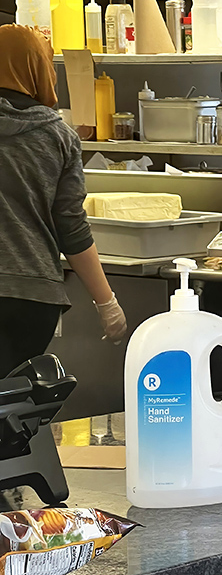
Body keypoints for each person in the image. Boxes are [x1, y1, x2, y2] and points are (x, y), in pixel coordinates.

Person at [0, 24, 126, 378]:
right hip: (33, 297)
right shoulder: (58, 136)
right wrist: (107, 302)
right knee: (13, 408)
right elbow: (70, 226)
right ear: (41, 69)